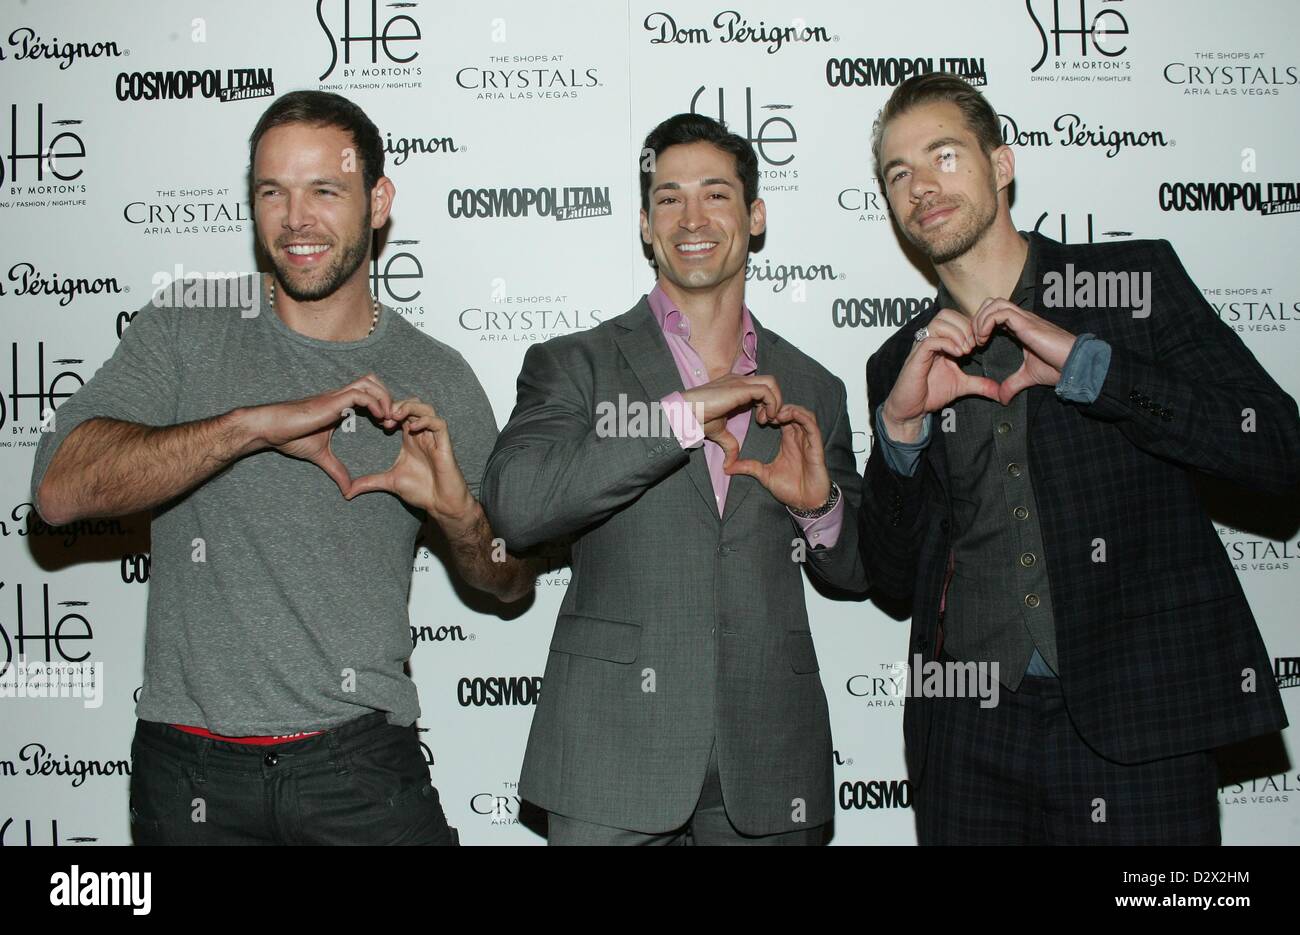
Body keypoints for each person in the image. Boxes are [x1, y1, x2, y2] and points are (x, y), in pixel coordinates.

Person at [30, 90, 534, 845]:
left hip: (358, 767)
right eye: (273, 192)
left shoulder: (435, 373)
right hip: (188, 773)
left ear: (378, 201)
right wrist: (250, 427)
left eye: (325, 191)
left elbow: (510, 576)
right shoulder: (185, 330)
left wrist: (461, 516)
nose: (296, 219)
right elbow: (58, 491)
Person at [860, 72, 1300, 844]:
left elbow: (1276, 448)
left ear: (1002, 165)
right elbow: (893, 579)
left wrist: (1101, 371)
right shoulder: (898, 361)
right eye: (899, 174)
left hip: (1140, 722)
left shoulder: (1131, 286)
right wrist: (897, 436)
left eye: (944, 156)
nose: (922, 185)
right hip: (967, 738)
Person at [480, 113, 869, 845]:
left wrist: (821, 511)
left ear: (755, 217)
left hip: (772, 760)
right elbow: (518, 508)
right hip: (610, 756)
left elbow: (861, 570)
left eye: (716, 195)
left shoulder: (814, 385)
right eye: (669, 198)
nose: (692, 218)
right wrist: (679, 415)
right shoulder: (573, 364)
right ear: (645, 224)